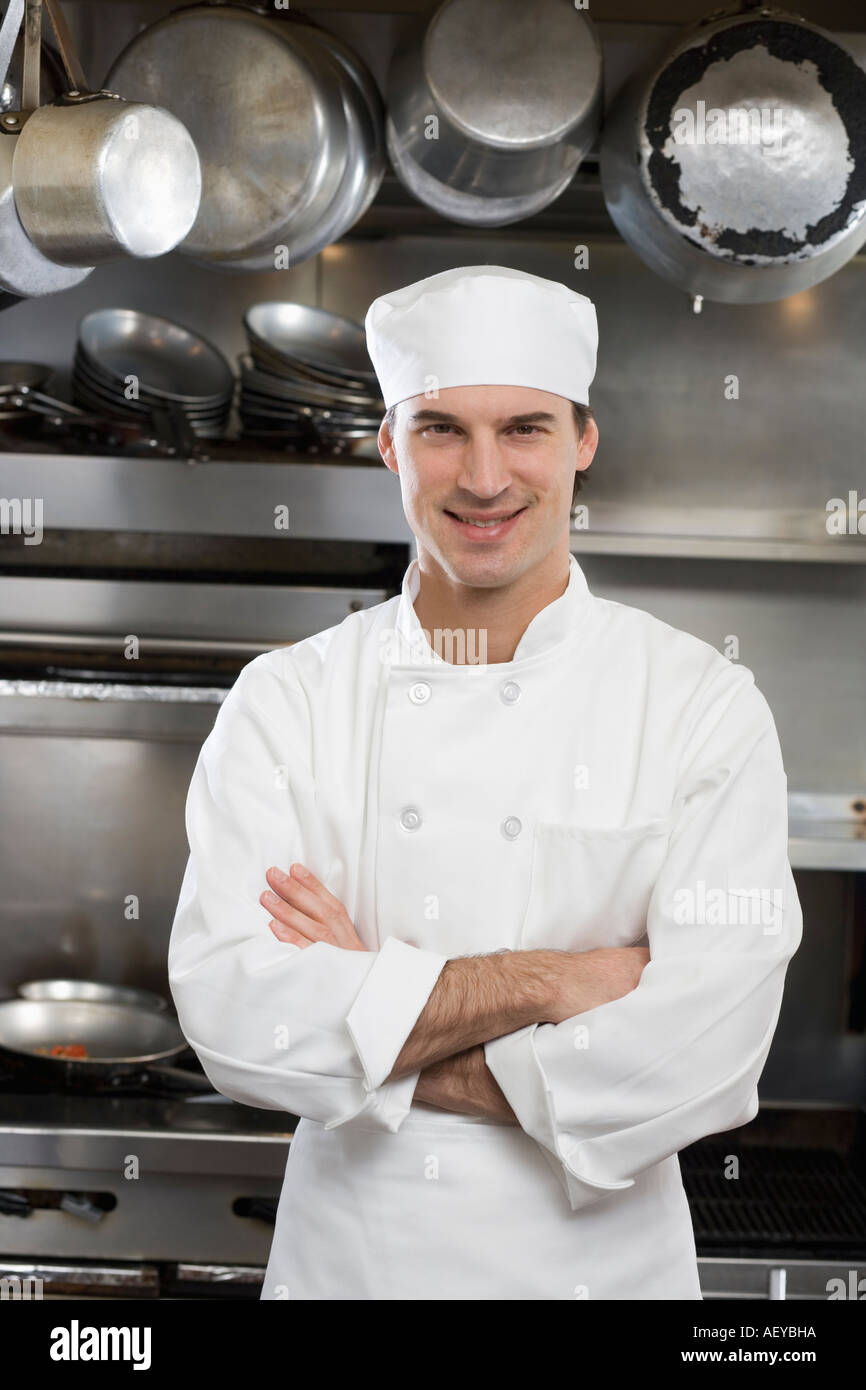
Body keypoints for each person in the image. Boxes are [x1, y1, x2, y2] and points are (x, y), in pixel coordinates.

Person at [168, 265, 802, 1300]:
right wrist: (548, 981)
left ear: (581, 442)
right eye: (439, 430)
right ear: (387, 443)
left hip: (599, 1277)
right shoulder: (289, 698)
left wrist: (376, 1024)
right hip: (357, 1267)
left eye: (522, 429)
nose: (482, 476)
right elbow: (240, 1015)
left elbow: (704, 1055)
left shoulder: (697, 702)